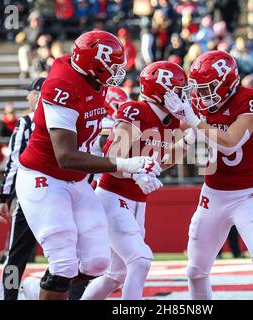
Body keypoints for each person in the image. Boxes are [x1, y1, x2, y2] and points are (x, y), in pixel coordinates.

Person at [4, 31, 161, 300]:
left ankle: (35, 289)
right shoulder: (62, 87)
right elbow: (66, 155)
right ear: (94, 65)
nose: (117, 72)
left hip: (75, 180)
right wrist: (125, 164)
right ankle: (39, 289)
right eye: (111, 66)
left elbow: (91, 139)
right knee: (64, 264)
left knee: (97, 263)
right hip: (45, 177)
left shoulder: (91, 79)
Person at [164, 50, 253, 300]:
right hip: (213, 195)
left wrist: (195, 122)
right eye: (198, 89)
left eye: (207, 88)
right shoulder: (198, 106)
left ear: (227, 82)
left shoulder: (252, 100)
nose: (200, 95)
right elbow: (181, 142)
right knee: (195, 270)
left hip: (249, 194)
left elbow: (230, 143)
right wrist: (152, 162)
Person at [82, 61, 192, 300]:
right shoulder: (136, 110)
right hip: (112, 196)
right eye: (179, 90)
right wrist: (135, 172)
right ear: (162, 91)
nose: (183, 96)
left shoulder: (171, 122)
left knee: (115, 275)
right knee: (140, 260)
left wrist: (188, 140)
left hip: (136, 201)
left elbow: (163, 161)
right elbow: (112, 159)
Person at [0, 77, 45, 300]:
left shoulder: (27, 122)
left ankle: (9, 297)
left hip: (30, 197)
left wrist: (4, 197)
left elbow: (14, 161)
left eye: (30, 93)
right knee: (67, 257)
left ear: (39, 94)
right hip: (62, 194)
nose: (27, 97)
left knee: (16, 256)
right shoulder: (65, 120)